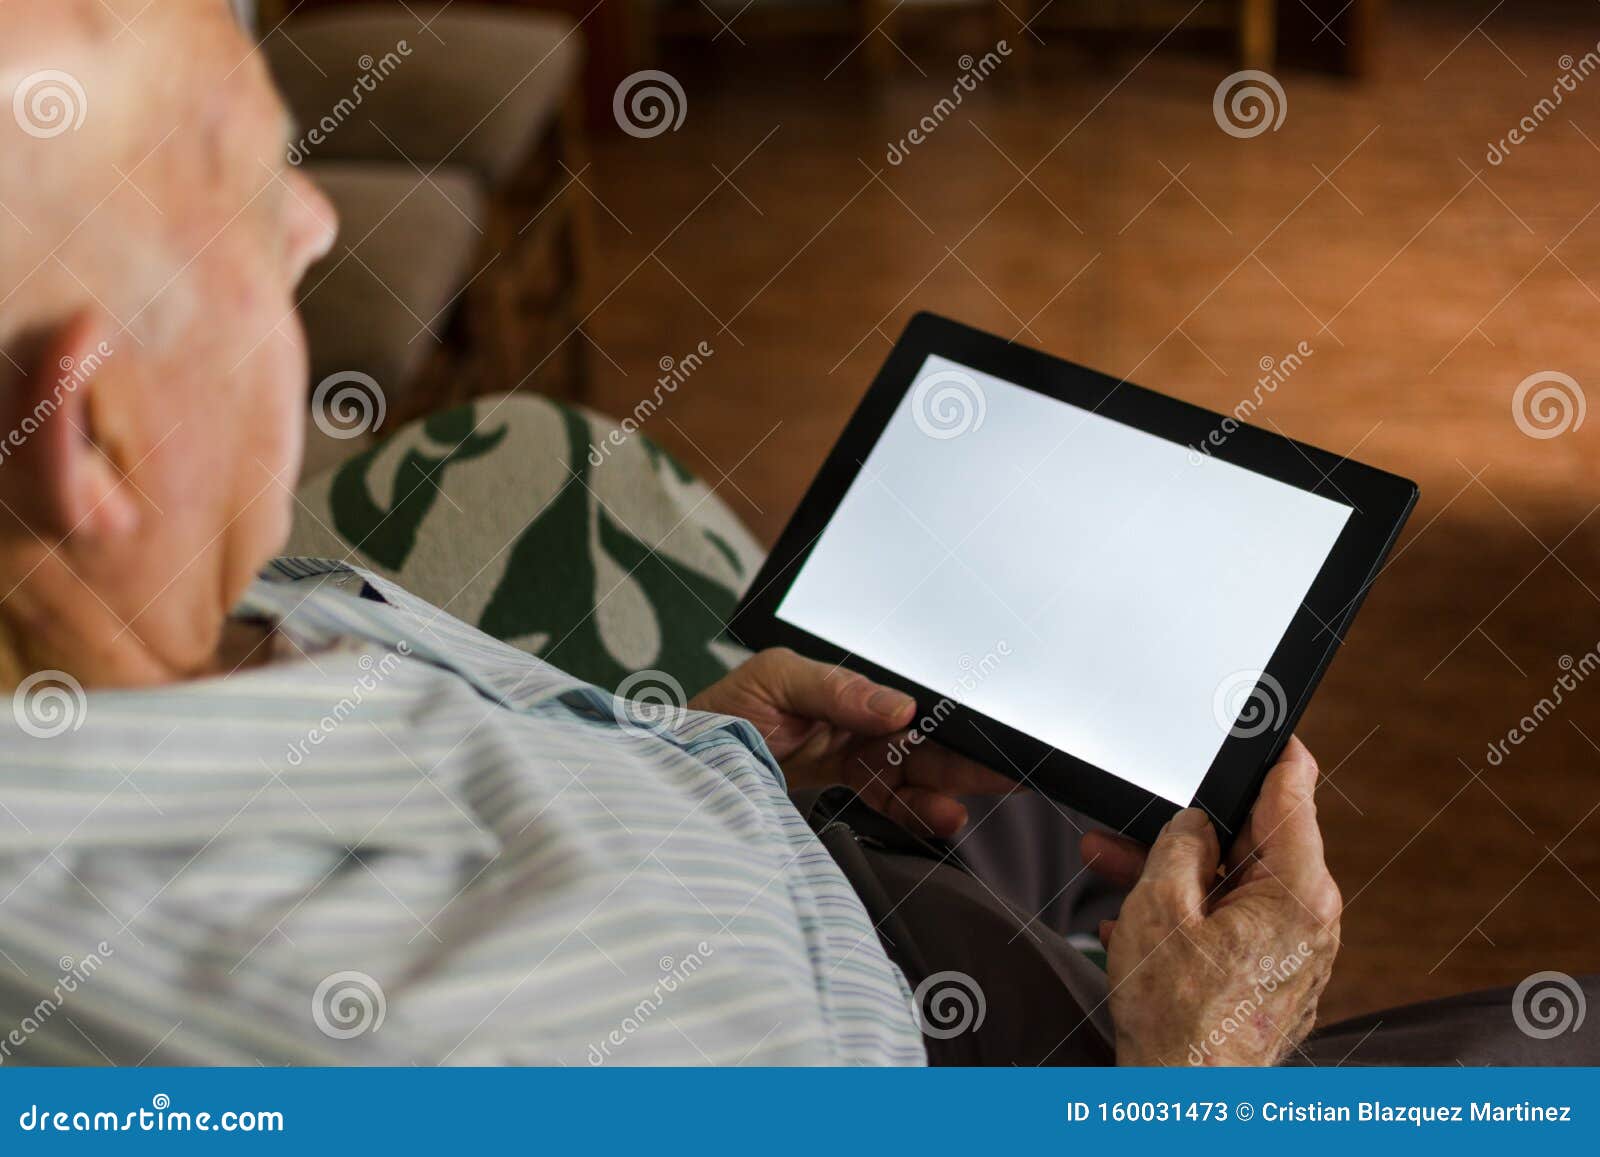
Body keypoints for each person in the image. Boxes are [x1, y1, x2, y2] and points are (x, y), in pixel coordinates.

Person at [0, 0, 1590, 1067]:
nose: (318, 219)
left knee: (1047, 814)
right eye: (242, 181)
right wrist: (1196, 1076)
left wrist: (693, 758)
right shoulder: (425, 1035)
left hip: (792, 852)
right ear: (94, 435)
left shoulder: (122, 645)